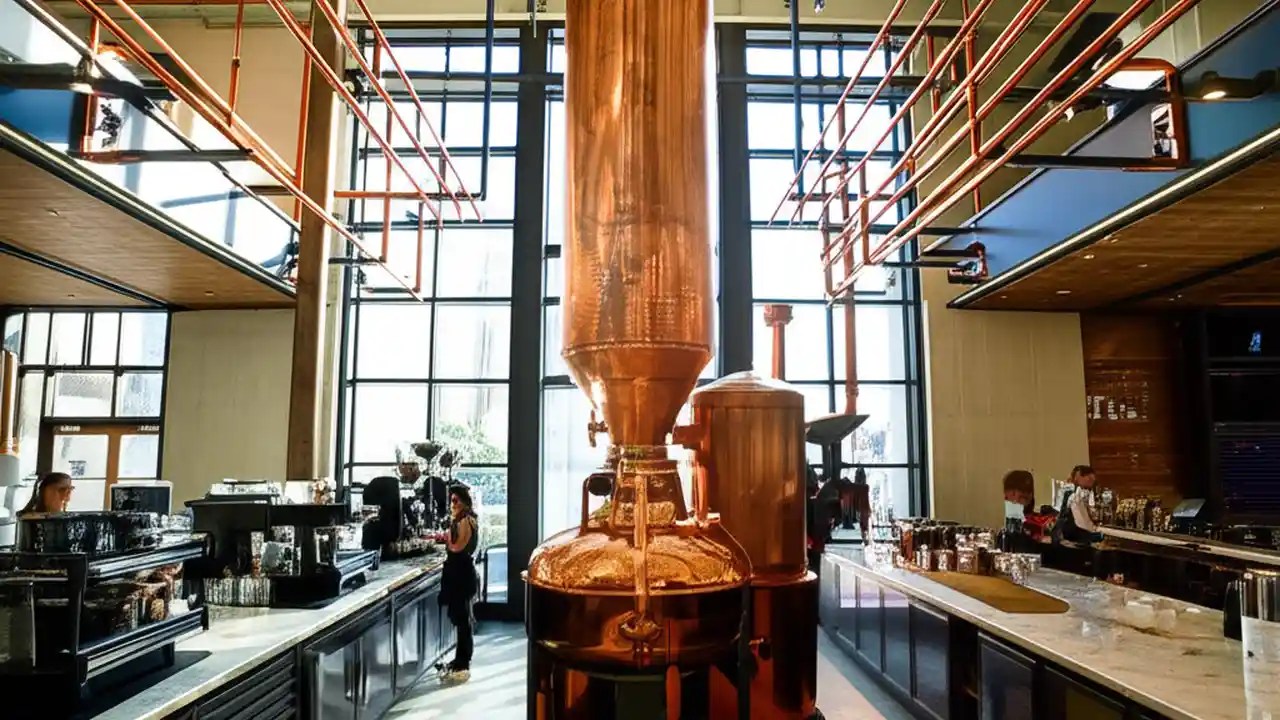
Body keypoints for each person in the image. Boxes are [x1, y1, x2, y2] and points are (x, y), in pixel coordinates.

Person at [436, 485, 479, 683]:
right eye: (451, 501)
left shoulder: (465, 521)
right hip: (460, 572)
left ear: (463, 501)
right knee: (461, 618)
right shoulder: (462, 519)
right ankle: (460, 660)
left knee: (463, 620)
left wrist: (444, 539)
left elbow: (457, 546)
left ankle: (463, 662)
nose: (453, 505)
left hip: (461, 573)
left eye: (455, 501)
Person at [1053, 465, 1103, 544]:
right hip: (1072, 534)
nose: (1091, 483)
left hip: (1073, 532)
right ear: (1078, 476)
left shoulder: (1085, 492)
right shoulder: (1071, 492)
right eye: (1089, 479)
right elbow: (1082, 523)